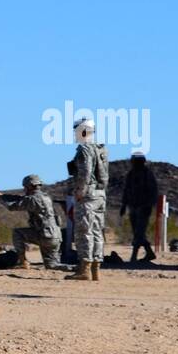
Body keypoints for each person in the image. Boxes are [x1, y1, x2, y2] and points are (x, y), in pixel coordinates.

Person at [67, 117, 107, 281]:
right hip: (100, 194)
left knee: (84, 231)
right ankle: (96, 268)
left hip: (88, 194)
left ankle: (84, 269)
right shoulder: (101, 149)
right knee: (97, 231)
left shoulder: (85, 149)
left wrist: (79, 191)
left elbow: (85, 171)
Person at [0, 175, 62, 268]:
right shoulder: (46, 197)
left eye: (25, 187)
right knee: (53, 265)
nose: (24, 189)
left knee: (17, 233)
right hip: (55, 236)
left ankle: (23, 262)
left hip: (44, 235)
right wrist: (3, 196)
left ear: (29, 186)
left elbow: (12, 206)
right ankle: (78, 268)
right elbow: (20, 199)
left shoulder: (33, 199)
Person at [119, 150, 158, 262]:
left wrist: (148, 205)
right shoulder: (131, 174)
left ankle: (134, 256)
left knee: (139, 232)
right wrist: (124, 205)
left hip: (143, 207)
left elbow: (153, 191)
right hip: (133, 206)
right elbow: (126, 190)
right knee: (137, 231)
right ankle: (149, 253)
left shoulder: (147, 174)